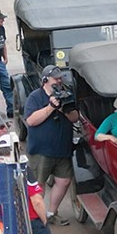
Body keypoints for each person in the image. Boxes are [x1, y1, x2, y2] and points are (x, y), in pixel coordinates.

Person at [22, 64, 81, 222]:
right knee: (38, 185)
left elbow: (75, 117)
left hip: (62, 149)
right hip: (41, 151)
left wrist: (63, 108)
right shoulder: (35, 97)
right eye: (56, 78)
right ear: (45, 80)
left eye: (60, 78)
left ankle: (51, 213)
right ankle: (36, 216)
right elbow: (31, 121)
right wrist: (50, 107)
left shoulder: (66, 95)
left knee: (64, 181)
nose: (59, 81)